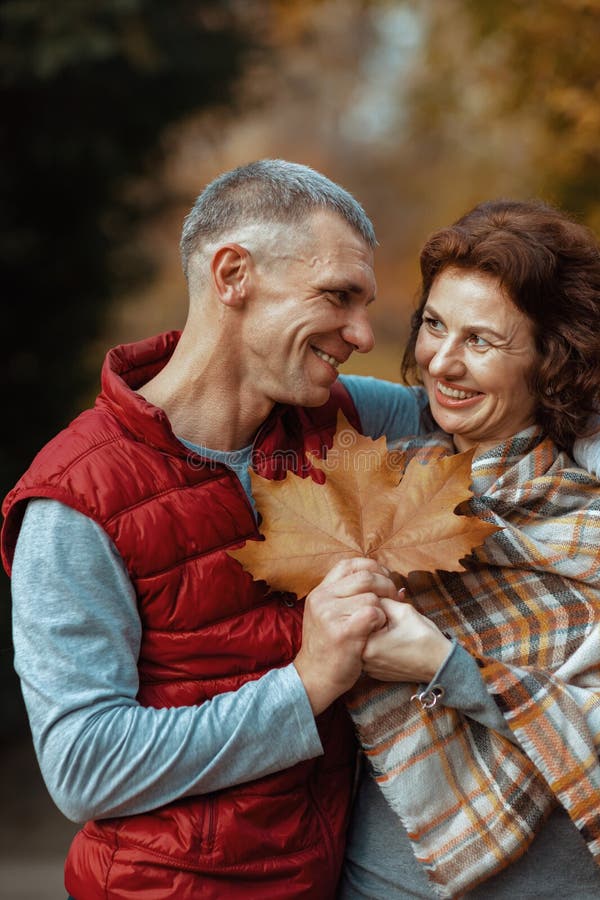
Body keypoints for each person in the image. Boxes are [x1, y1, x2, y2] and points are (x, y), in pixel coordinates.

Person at [0, 160, 420, 899]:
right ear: (233, 275)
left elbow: (512, 414)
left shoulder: (345, 420)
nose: (360, 332)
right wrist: (306, 684)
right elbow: (84, 767)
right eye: (338, 296)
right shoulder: (76, 501)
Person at [339, 199, 600, 899]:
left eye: (480, 341)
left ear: (552, 358)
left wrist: (446, 666)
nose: (441, 362)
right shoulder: (381, 479)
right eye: (433, 325)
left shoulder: (588, 518)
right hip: (379, 884)